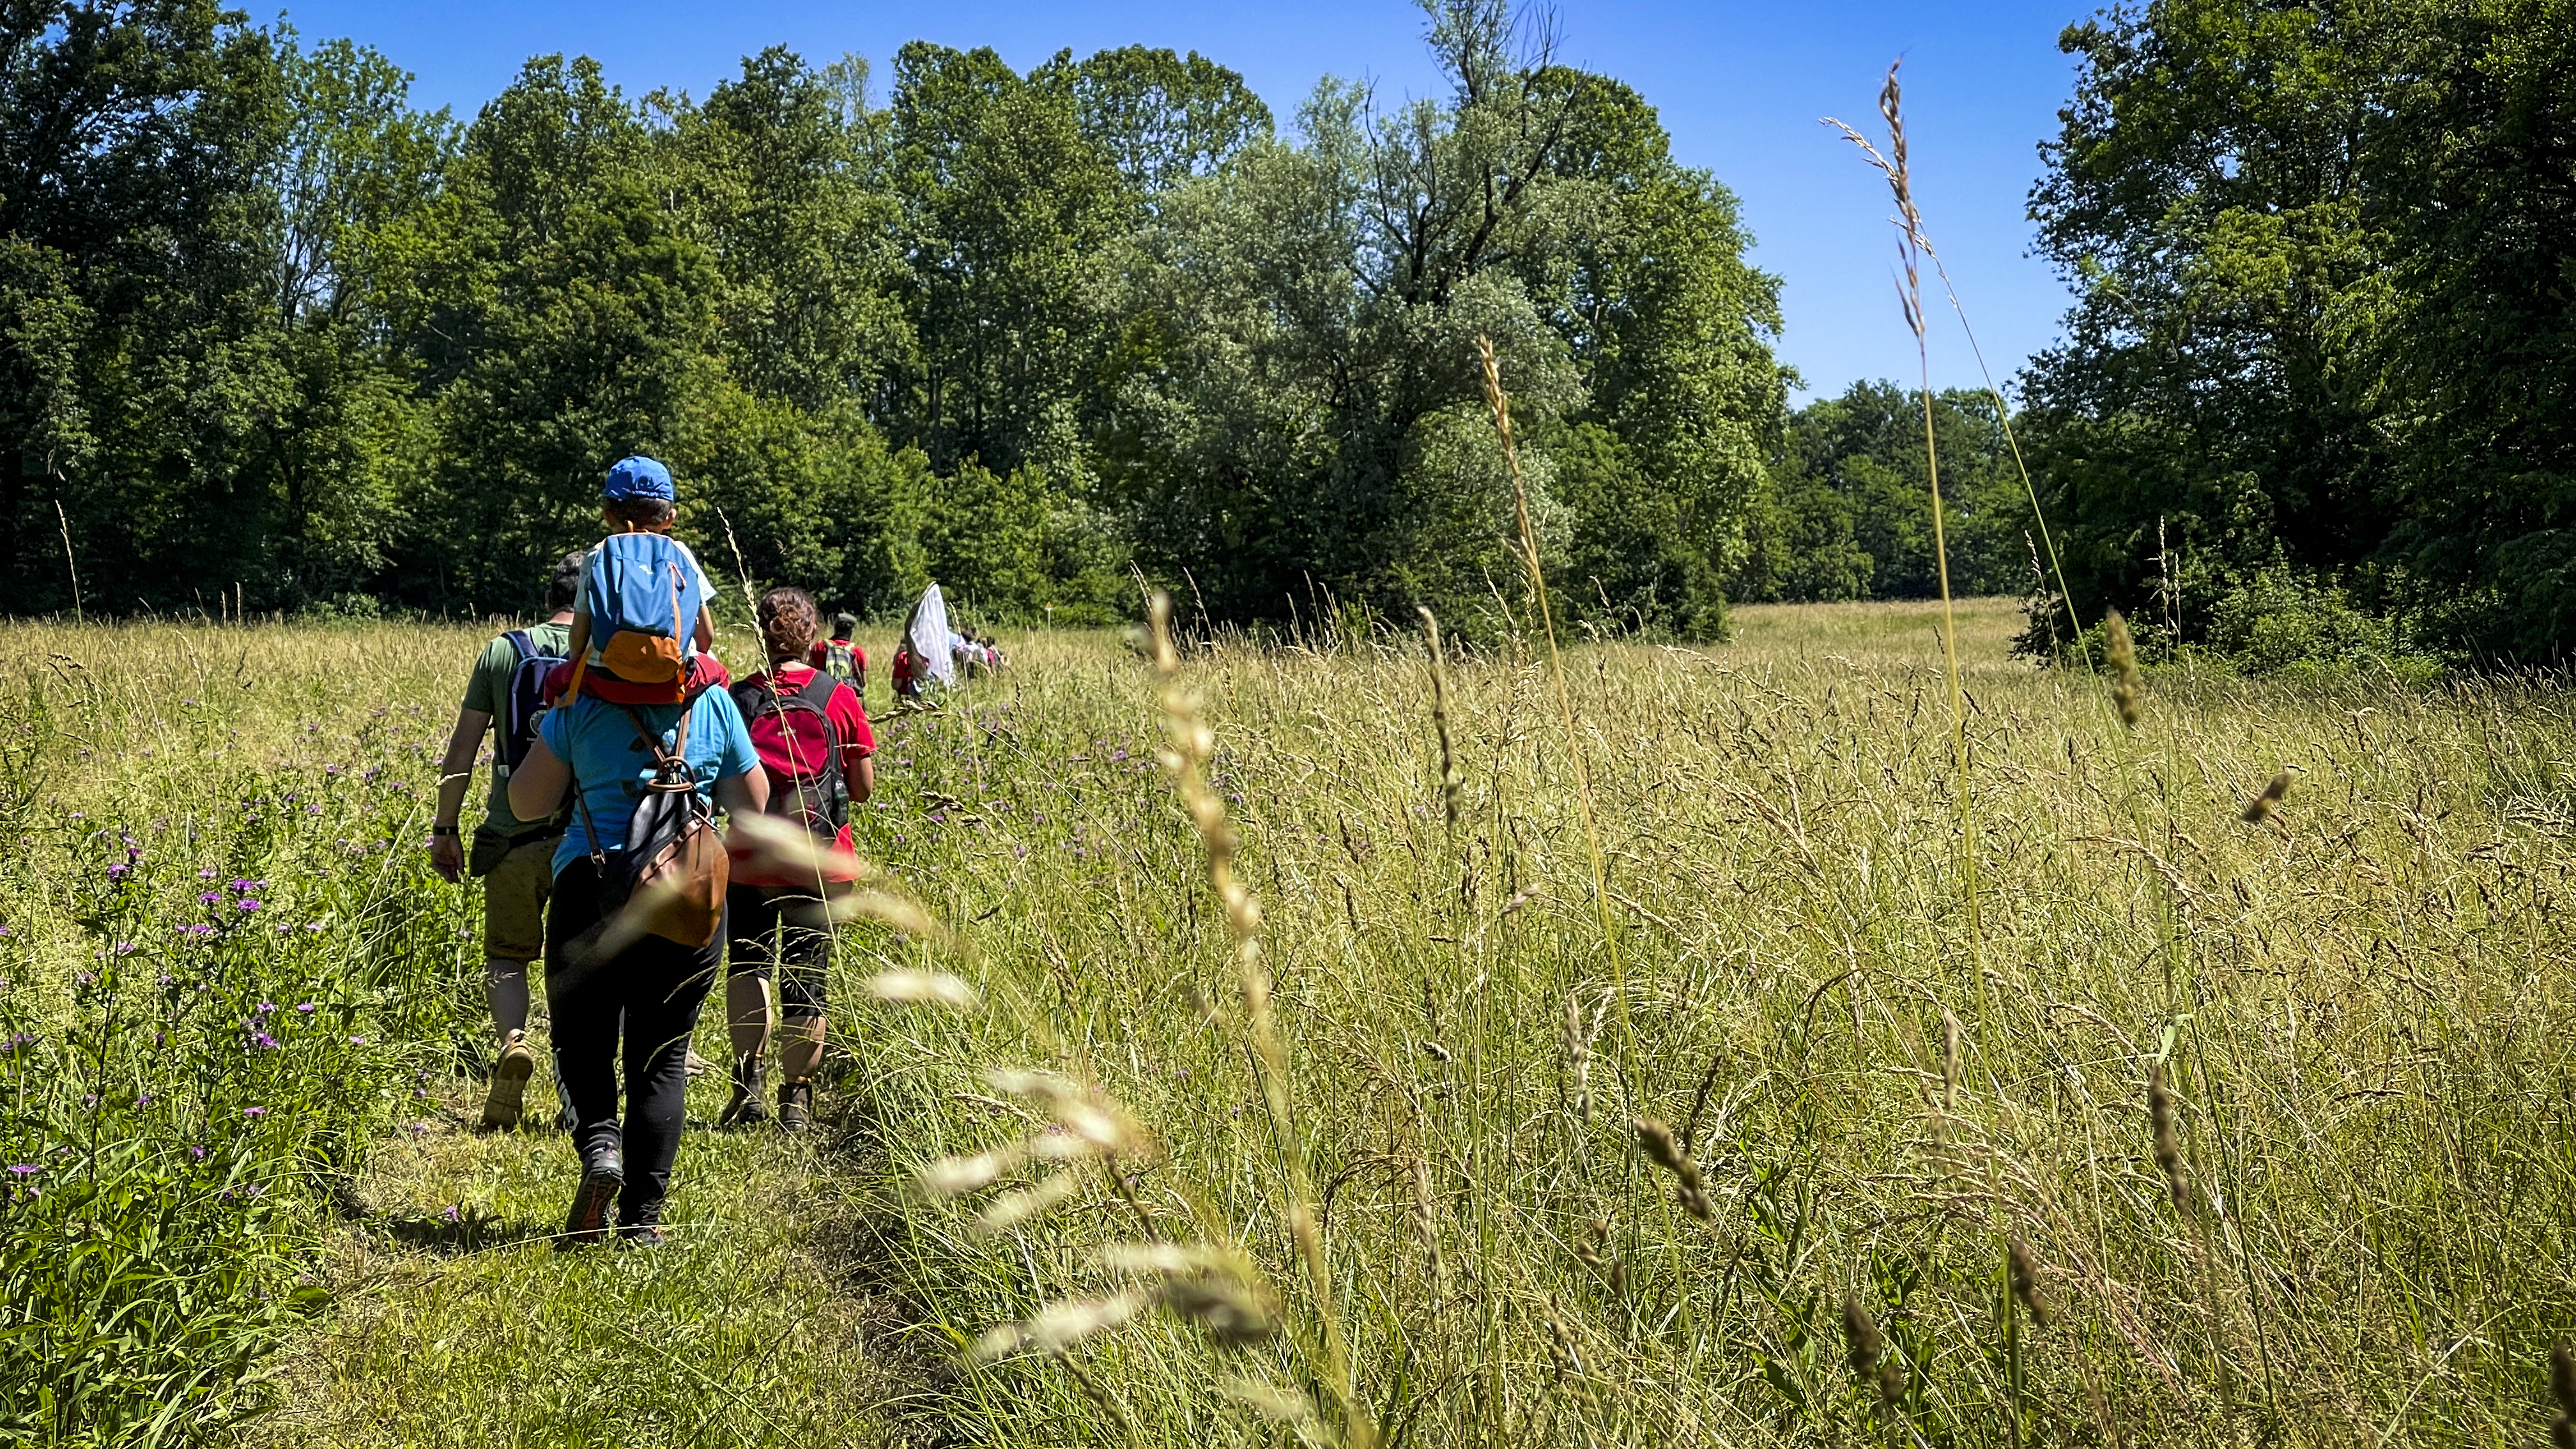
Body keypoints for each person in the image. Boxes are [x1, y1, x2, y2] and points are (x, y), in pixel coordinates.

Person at [430, 550, 586, 1130]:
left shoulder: (505, 651)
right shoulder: (603, 651)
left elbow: (463, 750)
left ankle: (514, 1039)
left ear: (549, 598)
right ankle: (581, 1089)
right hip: (585, 836)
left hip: (511, 835)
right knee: (583, 965)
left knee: (506, 954)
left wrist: (446, 827)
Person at [724, 587, 876, 1131]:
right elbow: (859, 790)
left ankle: (749, 1087)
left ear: (761, 634)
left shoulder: (736, 699)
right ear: (812, 635)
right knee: (807, 973)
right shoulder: (837, 696)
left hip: (749, 857)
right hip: (820, 859)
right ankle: (798, 1100)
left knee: (748, 965)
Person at [809, 611, 866, 689]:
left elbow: (810, 672)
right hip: (847, 695)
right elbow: (863, 683)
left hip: (824, 693)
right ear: (851, 630)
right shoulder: (857, 651)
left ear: (835, 627)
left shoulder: (820, 646)